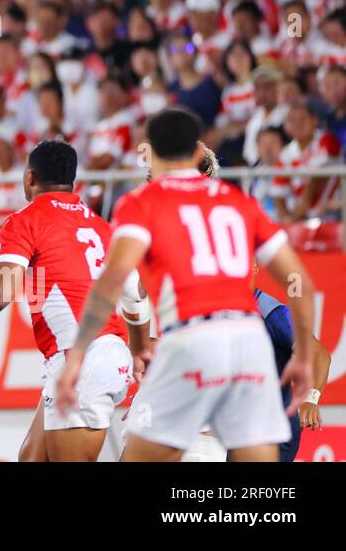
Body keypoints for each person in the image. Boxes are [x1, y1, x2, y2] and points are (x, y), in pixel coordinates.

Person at [55, 108, 317, 462]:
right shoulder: (240, 202)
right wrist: (302, 354)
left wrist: (77, 357)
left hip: (192, 341)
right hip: (248, 344)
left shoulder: (142, 203)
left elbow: (112, 285)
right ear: (196, 155)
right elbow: (298, 280)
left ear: (153, 154)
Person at [0, 141, 151, 461]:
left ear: (29, 178)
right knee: (31, 457)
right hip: (106, 355)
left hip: (80, 360)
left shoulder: (26, 219)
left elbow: (1, 291)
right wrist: (140, 349)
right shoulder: (101, 226)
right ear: (74, 182)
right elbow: (135, 295)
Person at [253, 287, 333, 462]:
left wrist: (310, 399)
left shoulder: (273, 313)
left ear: (255, 267)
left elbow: (318, 355)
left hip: (274, 432)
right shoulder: (218, 310)